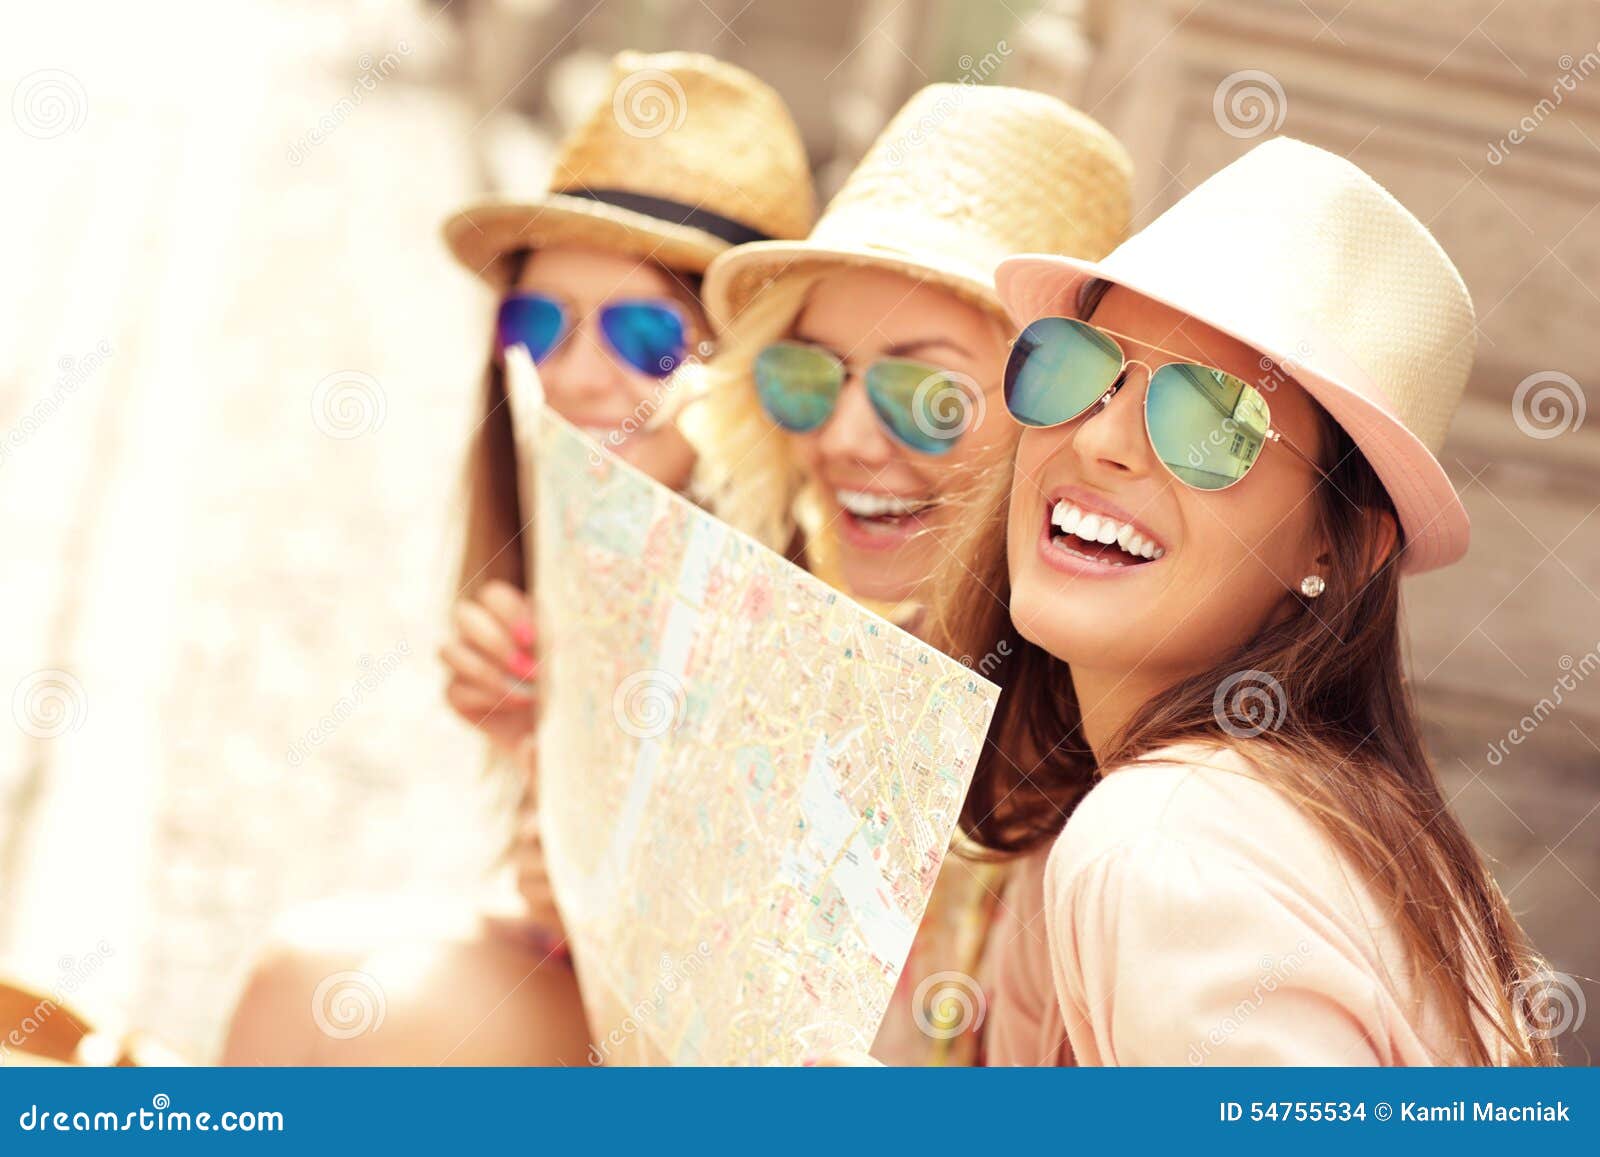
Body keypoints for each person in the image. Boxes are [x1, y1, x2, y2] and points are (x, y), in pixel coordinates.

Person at [220, 51, 814, 1065]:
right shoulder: (582, 547)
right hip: (602, 994)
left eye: (645, 333)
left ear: (743, 360)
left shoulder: (798, 597)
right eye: (535, 321)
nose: (576, 372)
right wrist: (531, 736)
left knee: (304, 986)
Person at [915, 137, 1556, 1065]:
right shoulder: (1323, 827)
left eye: (1214, 418)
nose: (1102, 439)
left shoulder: (1165, 849)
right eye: (1077, 366)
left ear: (1339, 549)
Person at [686, 82, 1131, 1063]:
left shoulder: (1113, 801)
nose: (843, 437)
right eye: (806, 375)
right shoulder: (765, 646)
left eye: (923, 393)